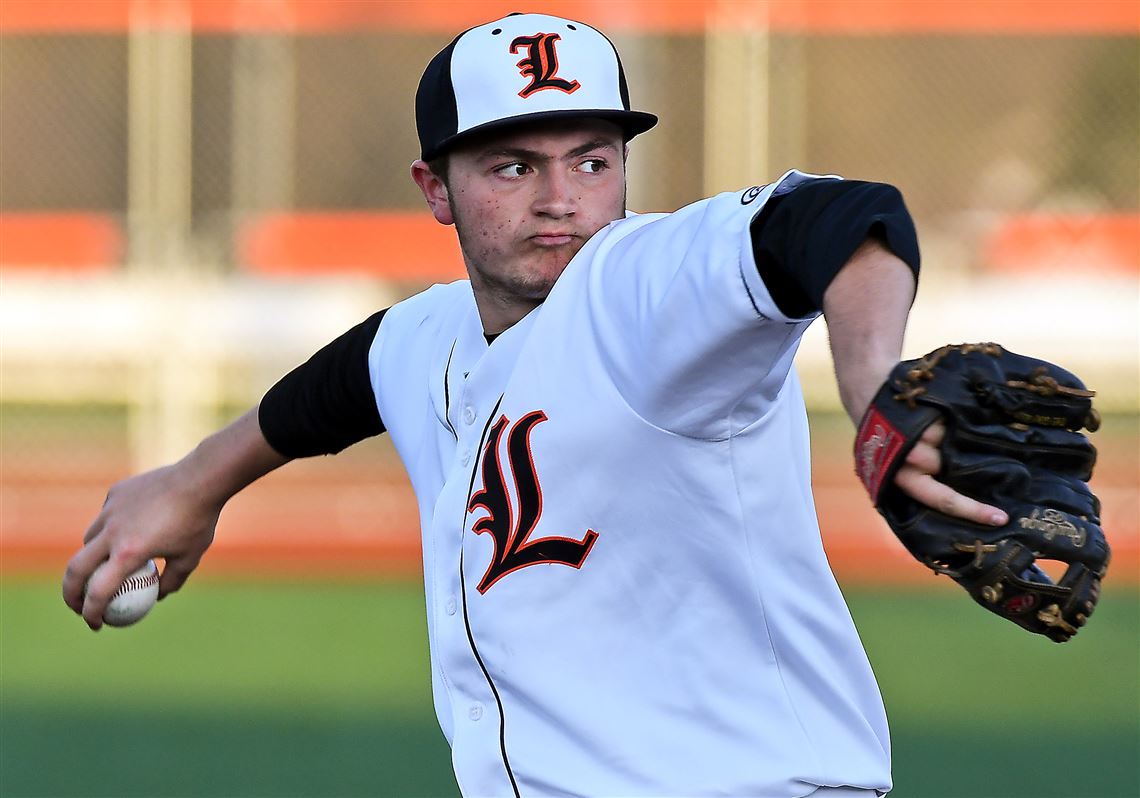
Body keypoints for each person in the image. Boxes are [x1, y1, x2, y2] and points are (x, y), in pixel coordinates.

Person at [63, 13, 1010, 797]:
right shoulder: (434, 336)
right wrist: (194, 483)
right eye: (514, 167)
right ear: (436, 189)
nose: (562, 200)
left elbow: (845, 220)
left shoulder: (641, 287)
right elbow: (343, 383)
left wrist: (874, 388)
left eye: (592, 161)